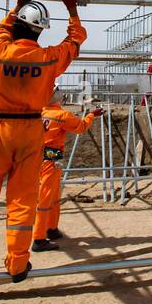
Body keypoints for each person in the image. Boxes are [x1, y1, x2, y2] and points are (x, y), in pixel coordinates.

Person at [0, 0, 86, 283]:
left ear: (18, 24)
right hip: (31, 130)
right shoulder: (49, 59)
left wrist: (17, 5)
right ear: (41, 31)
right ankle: (17, 264)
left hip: (0, 129)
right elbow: (75, 40)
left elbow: (3, 29)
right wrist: (72, 9)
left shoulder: (1, 52)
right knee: (23, 200)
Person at [32, 89, 103, 251]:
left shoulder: (40, 113)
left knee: (54, 194)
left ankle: (51, 228)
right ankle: (38, 238)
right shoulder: (62, 115)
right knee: (46, 198)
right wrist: (92, 114)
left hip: (38, 159)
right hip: (51, 160)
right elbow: (81, 127)